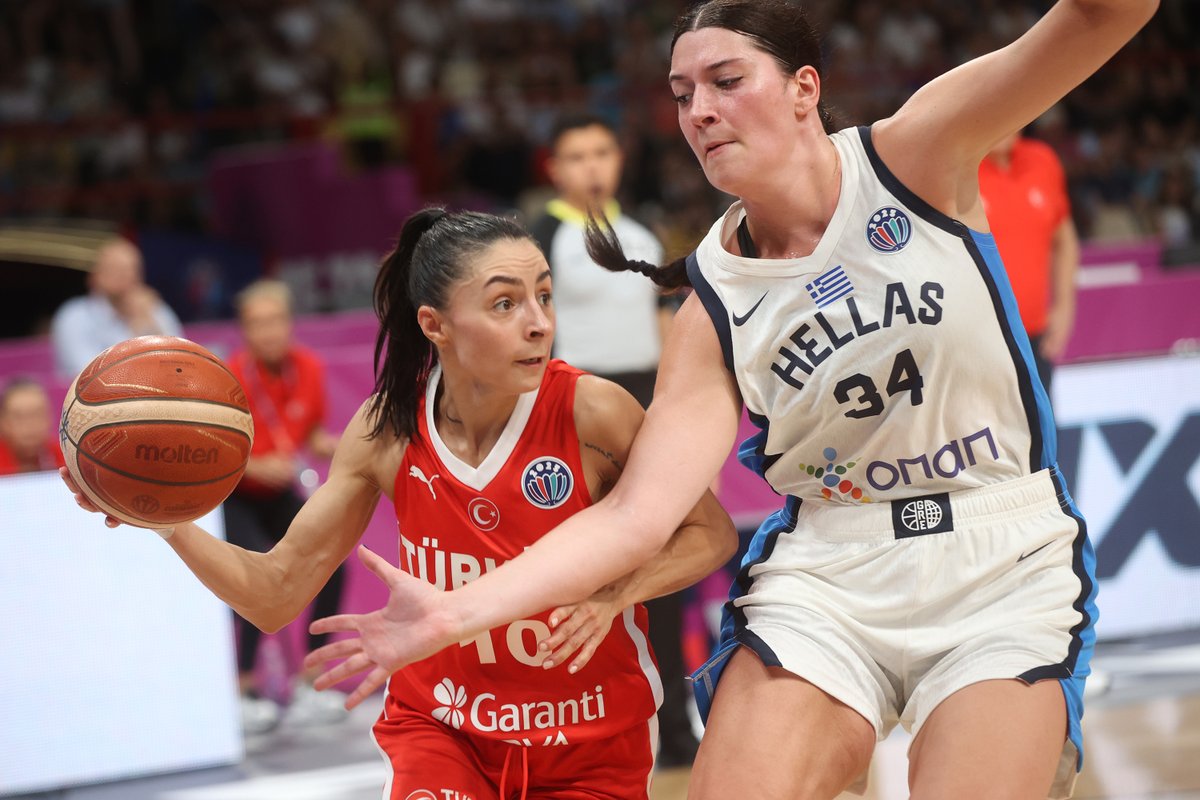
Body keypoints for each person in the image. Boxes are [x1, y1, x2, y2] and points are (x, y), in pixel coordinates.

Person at [303, 2, 1159, 798]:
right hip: (831, 570)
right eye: (681, 96)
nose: (699, 112)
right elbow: (639, 516)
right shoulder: (711, 299)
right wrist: (450, 615)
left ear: (803, 90)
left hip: (995, 552)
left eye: (724, 82)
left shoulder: (914, 155)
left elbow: (1101, 16)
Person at [62, 208, 736, 799]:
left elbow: (710, 534)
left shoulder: (594, 411)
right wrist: (170, 523)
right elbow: (273, 594)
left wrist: (617, 594)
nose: (538, 324)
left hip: (591, 735)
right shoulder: (386, 430)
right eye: (505, 304)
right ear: (434, 324)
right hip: (443, 726)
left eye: (545, 297)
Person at [531, 111, 699, 767]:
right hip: (576, 420)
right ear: (553, 169)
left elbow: (670, 335)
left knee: (665, 569)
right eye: (576, 157)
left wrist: (677, 418)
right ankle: (573, 737)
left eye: (602, 152)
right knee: (579, 577)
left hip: (649, 415)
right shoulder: (540, 238)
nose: (592, 167)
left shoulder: (642, 231)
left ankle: (677, 735)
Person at [224, 279, 345, 732]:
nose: (270, 331)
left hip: (281, 491)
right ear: (245, 331)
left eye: (276, 320)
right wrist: (253, 466)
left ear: (290, 323)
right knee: (257, 574)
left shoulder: (309, 367)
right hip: (236, 493)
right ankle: (244, 687)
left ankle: (313, 680)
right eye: (258, 323)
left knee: (332, 560)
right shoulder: (230, 376)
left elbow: (309, 433)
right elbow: (217, 453)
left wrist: (335, 445)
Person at [979, 131, 1081, 393]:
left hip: (1035, 336)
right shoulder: (957, 167)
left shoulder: (1042, 159)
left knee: (1043, 432)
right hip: (979, 342)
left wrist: (1064, 305)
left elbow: (1065, 238)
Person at [50, 237, 184, 377]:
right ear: (95, 275)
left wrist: (145, 321)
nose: (125, 275)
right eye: (115, 268)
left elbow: (180, 363)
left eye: (131, 269)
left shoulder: (155, 309)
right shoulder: (74, 316)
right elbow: (90, 378)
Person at [0, 378, 65, 475]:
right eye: (19, 416)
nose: (31, 424)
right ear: (3, 421)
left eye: (37, 414)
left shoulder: (66, 457)